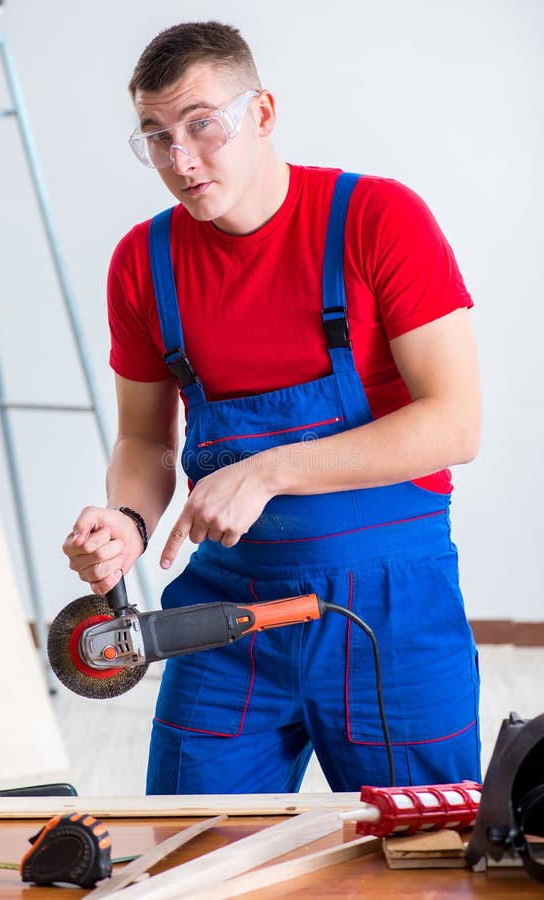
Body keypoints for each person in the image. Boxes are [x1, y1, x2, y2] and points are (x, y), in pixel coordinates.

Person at [63, 21, 482, 795]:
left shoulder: (377, 220)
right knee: (189, 854)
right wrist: (127, 519)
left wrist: (271, 472)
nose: (180, 160)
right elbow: (147, 442)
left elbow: (455, 423)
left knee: (426, 858)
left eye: (202, 125)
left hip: (393, 609)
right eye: (156, 136)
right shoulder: (142, 265)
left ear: (261, 113)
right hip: (225, 612)